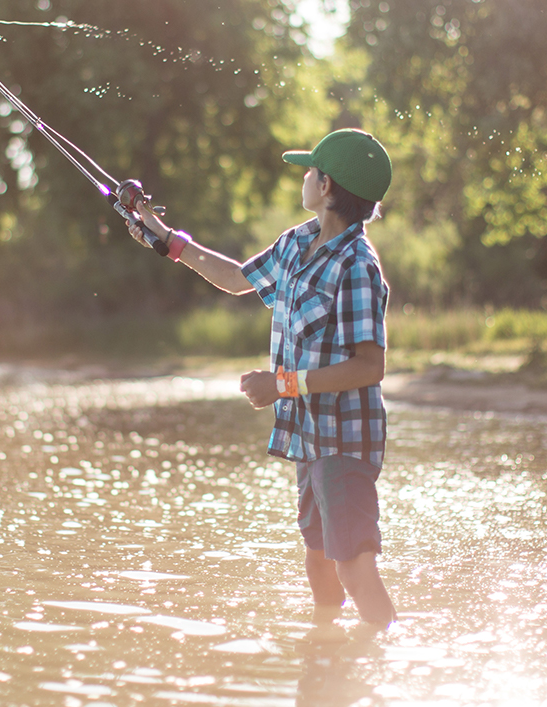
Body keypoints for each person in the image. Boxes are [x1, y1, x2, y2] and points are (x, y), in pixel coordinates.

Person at [127, 128, 396, 637]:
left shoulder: (358, 266)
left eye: (310, 170)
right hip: (308, 438)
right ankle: (328, 660)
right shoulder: (296, 242)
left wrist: (282, 385)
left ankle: (385, 657)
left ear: (329, 185)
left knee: (353, 566)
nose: (303, 176)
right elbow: (234, 278)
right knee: (319, 564)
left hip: (345, 439)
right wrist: (162, 236)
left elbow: (370, 367)